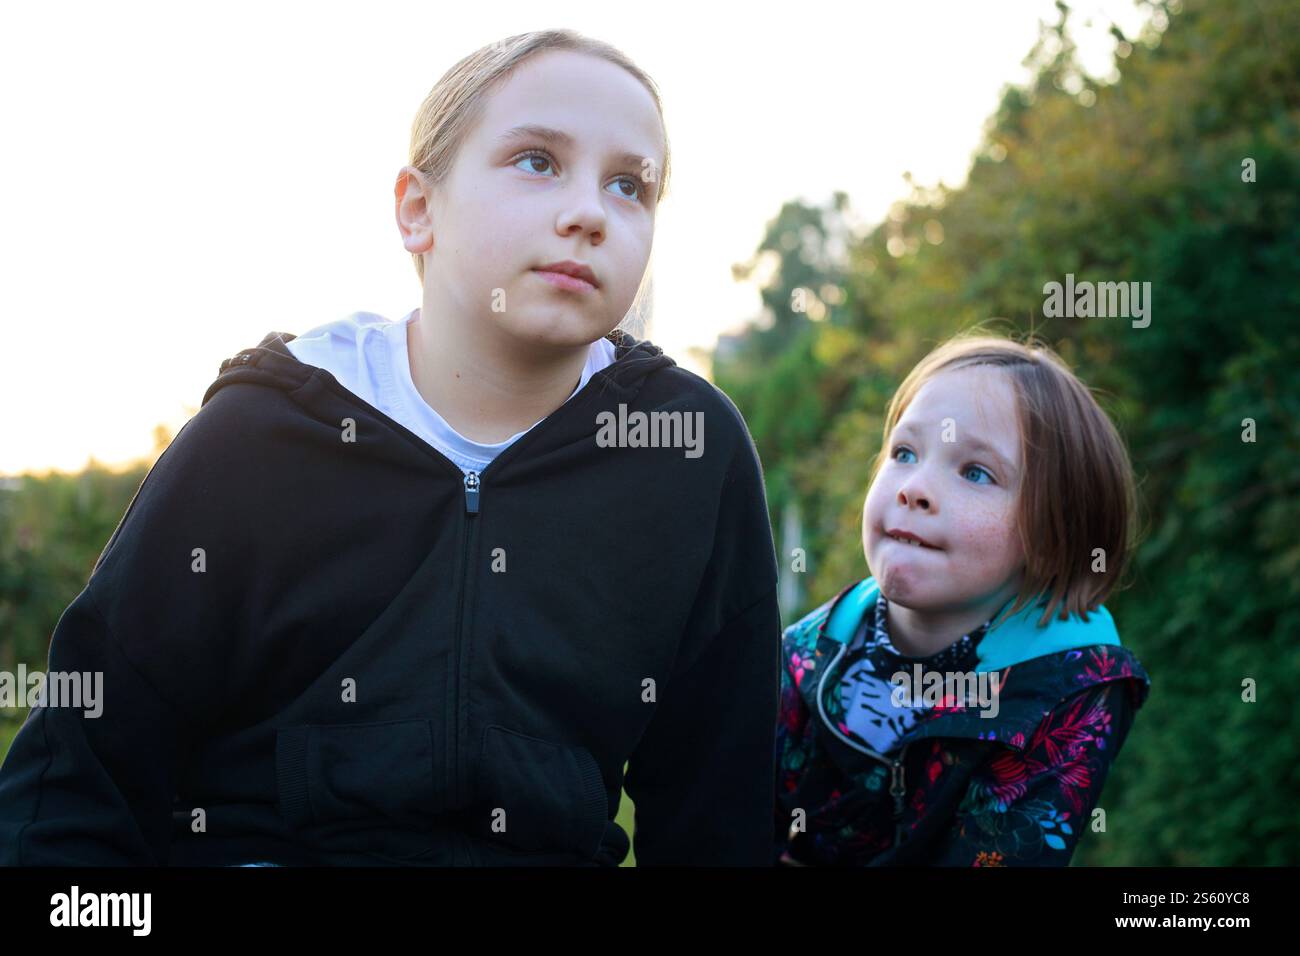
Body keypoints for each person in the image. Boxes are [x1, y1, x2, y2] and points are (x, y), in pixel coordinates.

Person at [0, 29, 781, 867]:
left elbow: (718, 806)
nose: (588, 212)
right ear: (418, 209)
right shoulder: (263, 435)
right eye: (537, 161)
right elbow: (79, 772)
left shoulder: (687, 452)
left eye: (629, 185)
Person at [774, 331, 1152, 866]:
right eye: (904, 452)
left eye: (976, 472)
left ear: (1053, 533)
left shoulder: (1065, 690)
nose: (914, 487)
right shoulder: (808, 651)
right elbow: (724, 821)